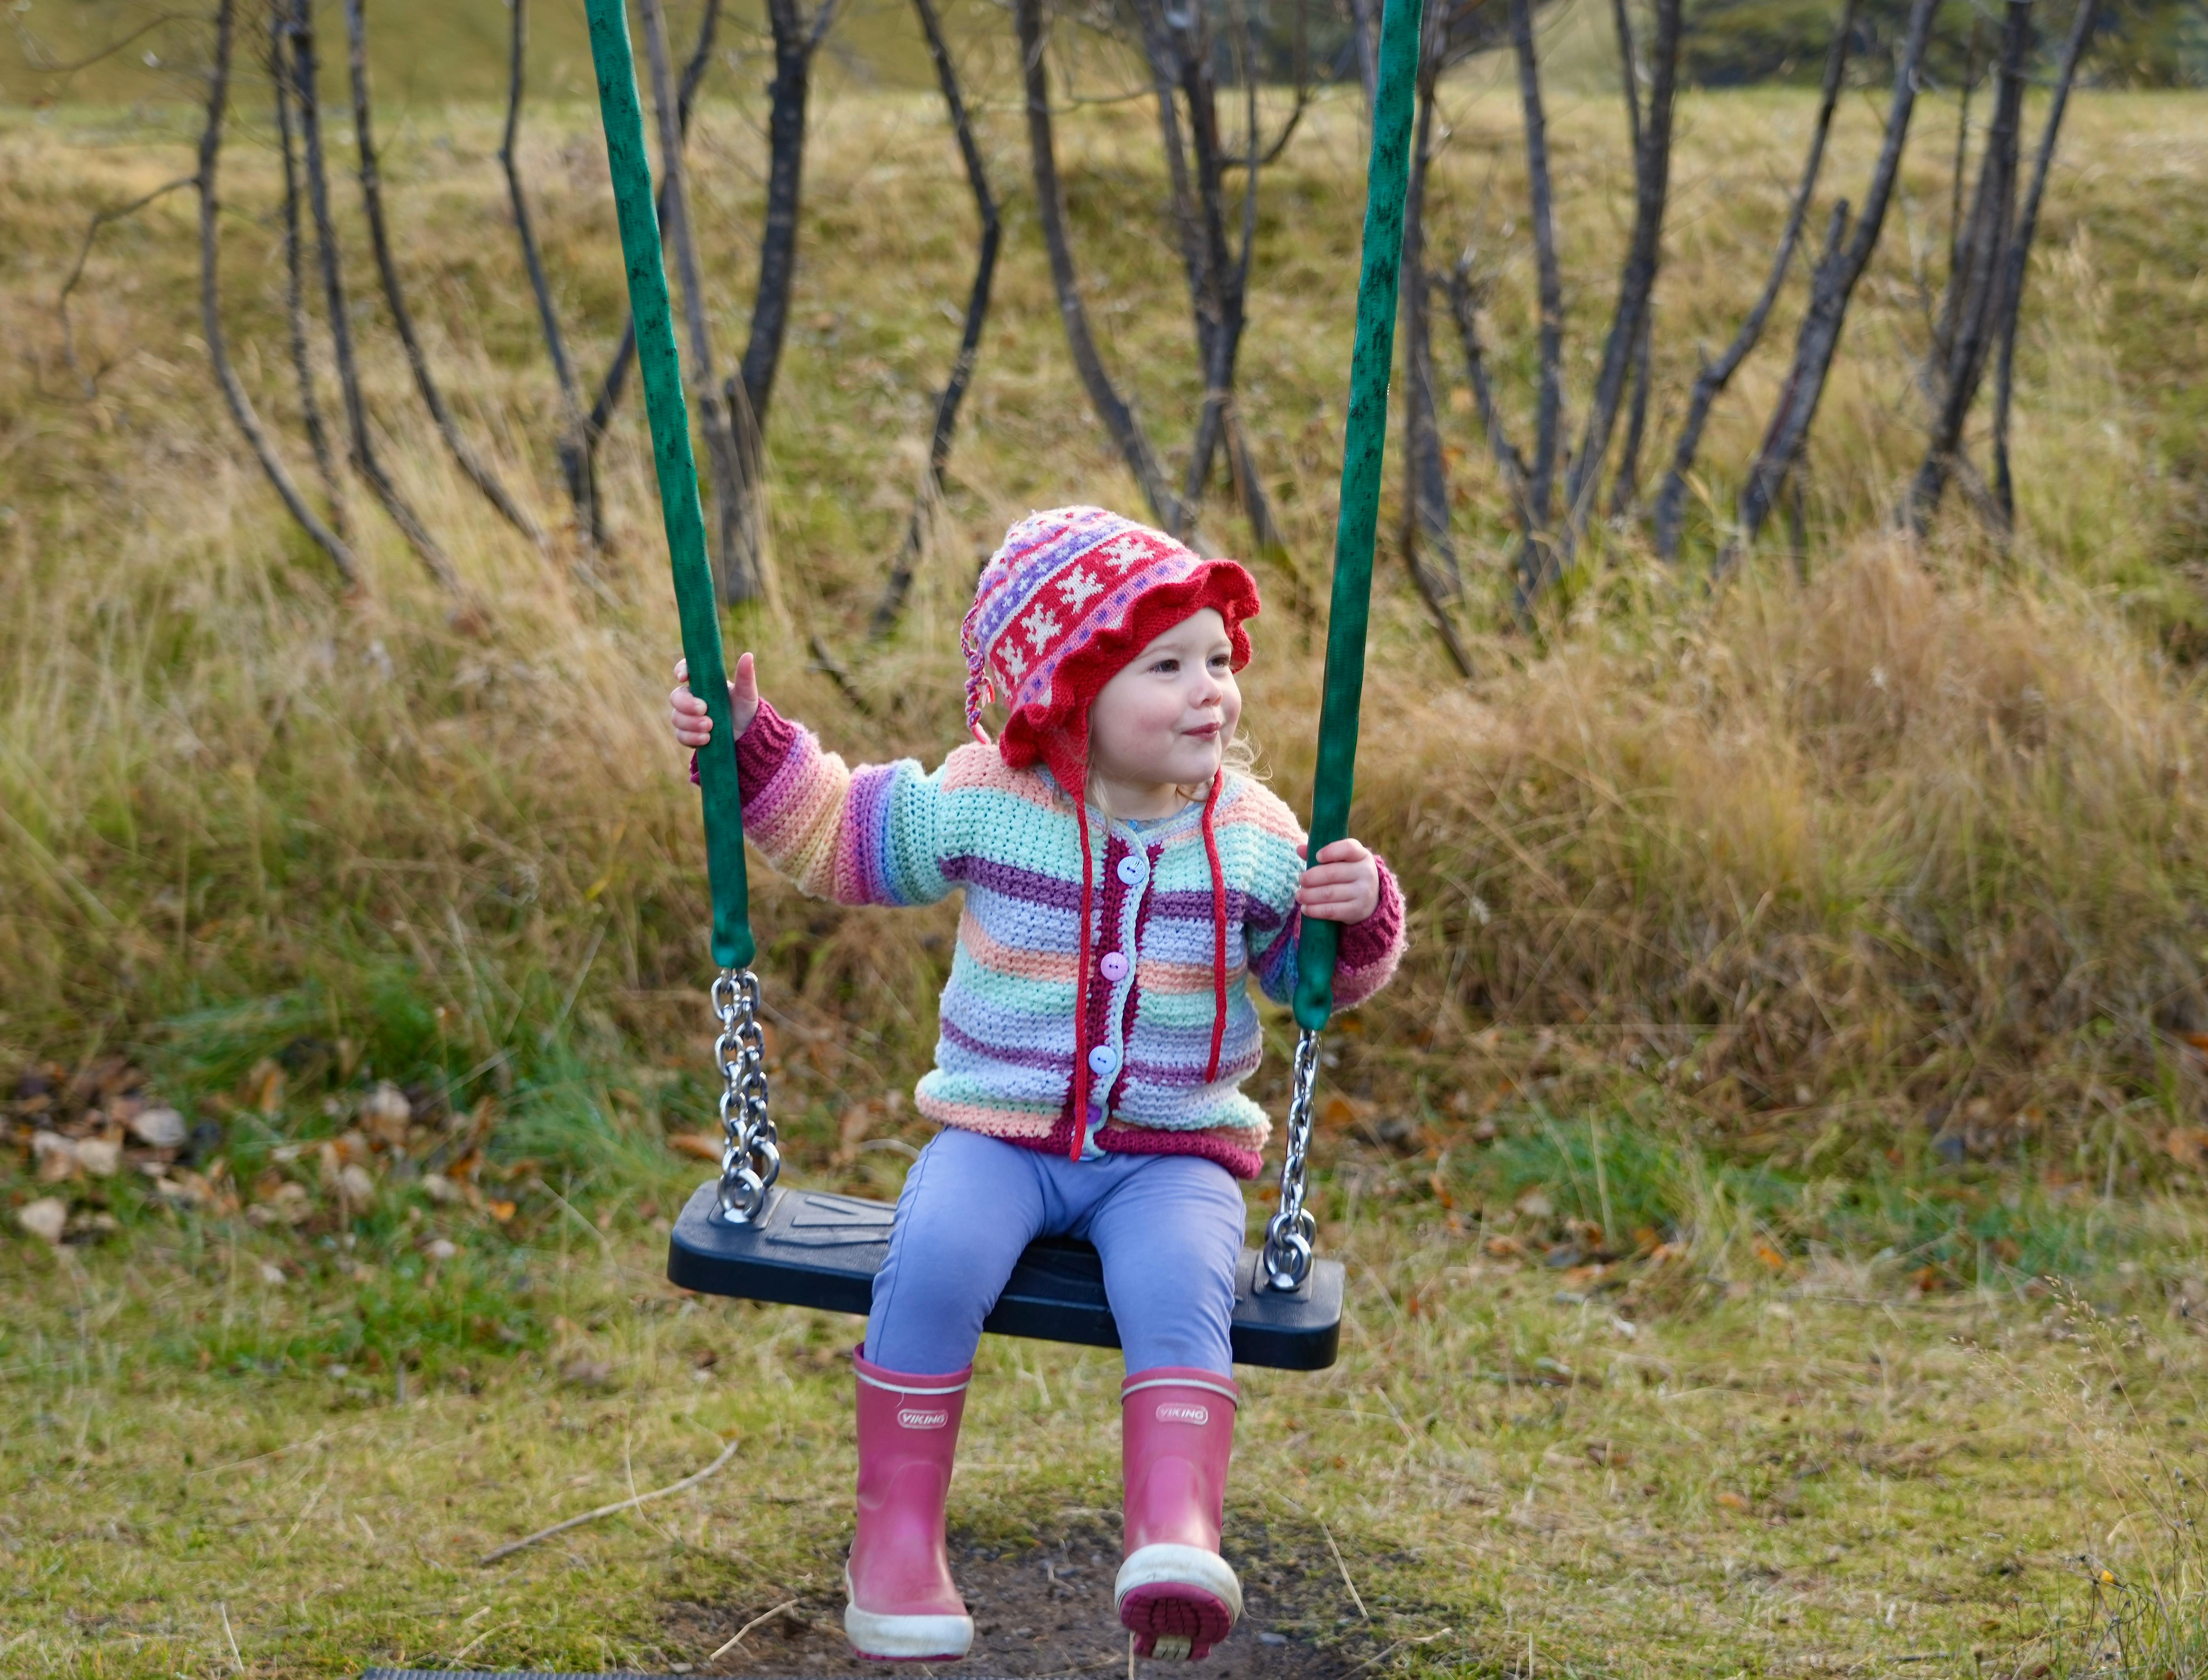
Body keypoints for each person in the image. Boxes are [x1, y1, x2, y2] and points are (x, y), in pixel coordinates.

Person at [670, 505, 1405, 1663]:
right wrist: (752, 745)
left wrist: (1353, 919)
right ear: (1071, 692)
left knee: (1182, 1286)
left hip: (1171, 1159)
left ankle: (1175, 1532)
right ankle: (895, 1546)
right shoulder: (989, 798)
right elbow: (842, 835)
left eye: (1219, 661)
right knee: (934, 1258)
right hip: (998, 1138)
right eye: (1168, 667)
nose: (1211, 693)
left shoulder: (1258, 835)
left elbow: (1306, 980)